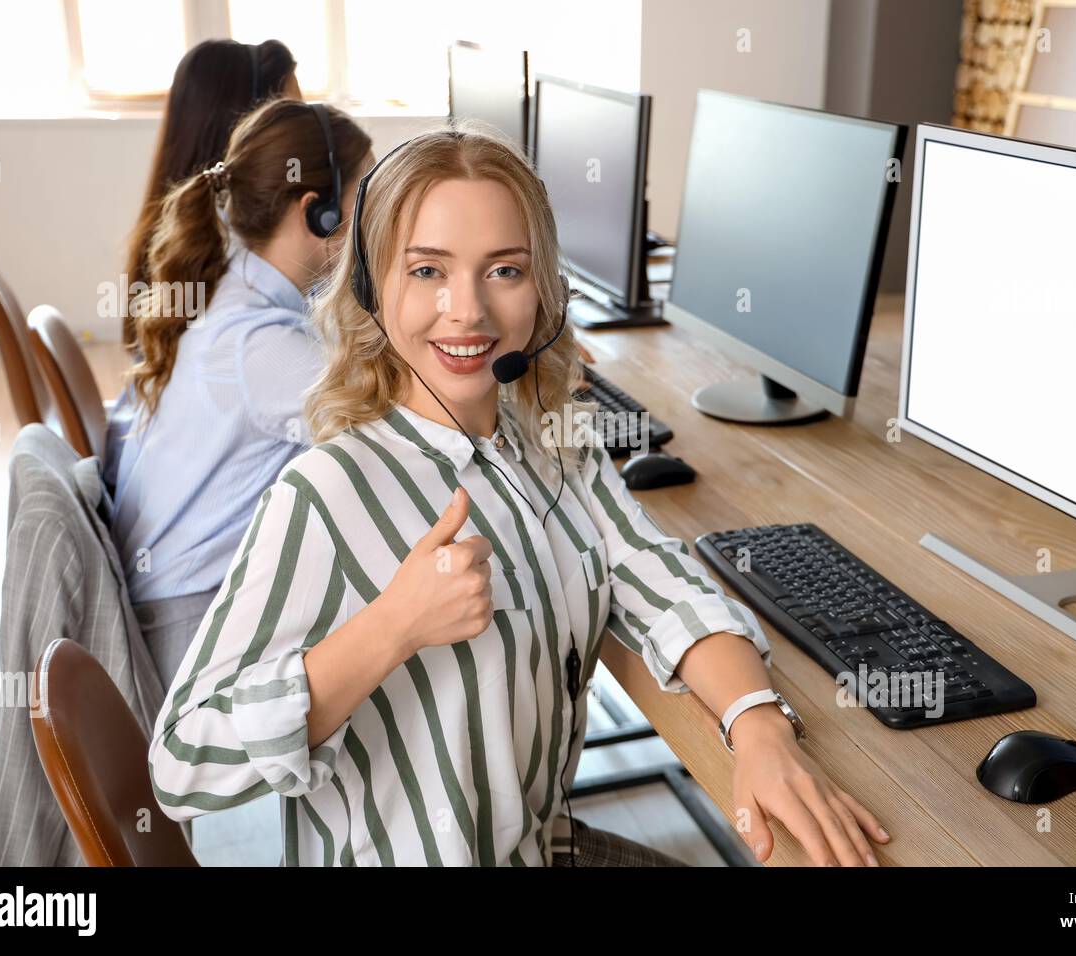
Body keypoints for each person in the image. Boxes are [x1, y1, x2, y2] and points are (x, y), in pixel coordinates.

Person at [148, 125, 892, 867]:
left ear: (544, 288)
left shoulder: (549, 439)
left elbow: (657, 575)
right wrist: (391, 629)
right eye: (428, 271)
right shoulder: (327, 493)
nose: (467, 311)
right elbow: (180, 762)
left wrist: (758, 722)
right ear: (373, 288)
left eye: (504, 270)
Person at [111, 99, 372, 688]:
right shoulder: (259, 348)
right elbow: (403, 429)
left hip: (172, 596)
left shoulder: (234, 278)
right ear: (320, 213)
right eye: (365, 199)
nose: (373, 221)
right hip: (188, 635)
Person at [121, 38, 299, 348]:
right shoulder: (228, 250)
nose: (309, 136)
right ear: (249, 130)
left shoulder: (172, 234)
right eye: (294, 119)